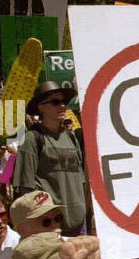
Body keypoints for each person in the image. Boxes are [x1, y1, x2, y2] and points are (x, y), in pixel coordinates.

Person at [13, 82, 86, 232]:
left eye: (64, 102)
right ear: (41, 107)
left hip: (79, 222)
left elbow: (82, 181)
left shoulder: (72, 138)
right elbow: (26, 189)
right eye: (55, 102)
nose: (62, 106)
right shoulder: (32, 139)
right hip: (50, 224)